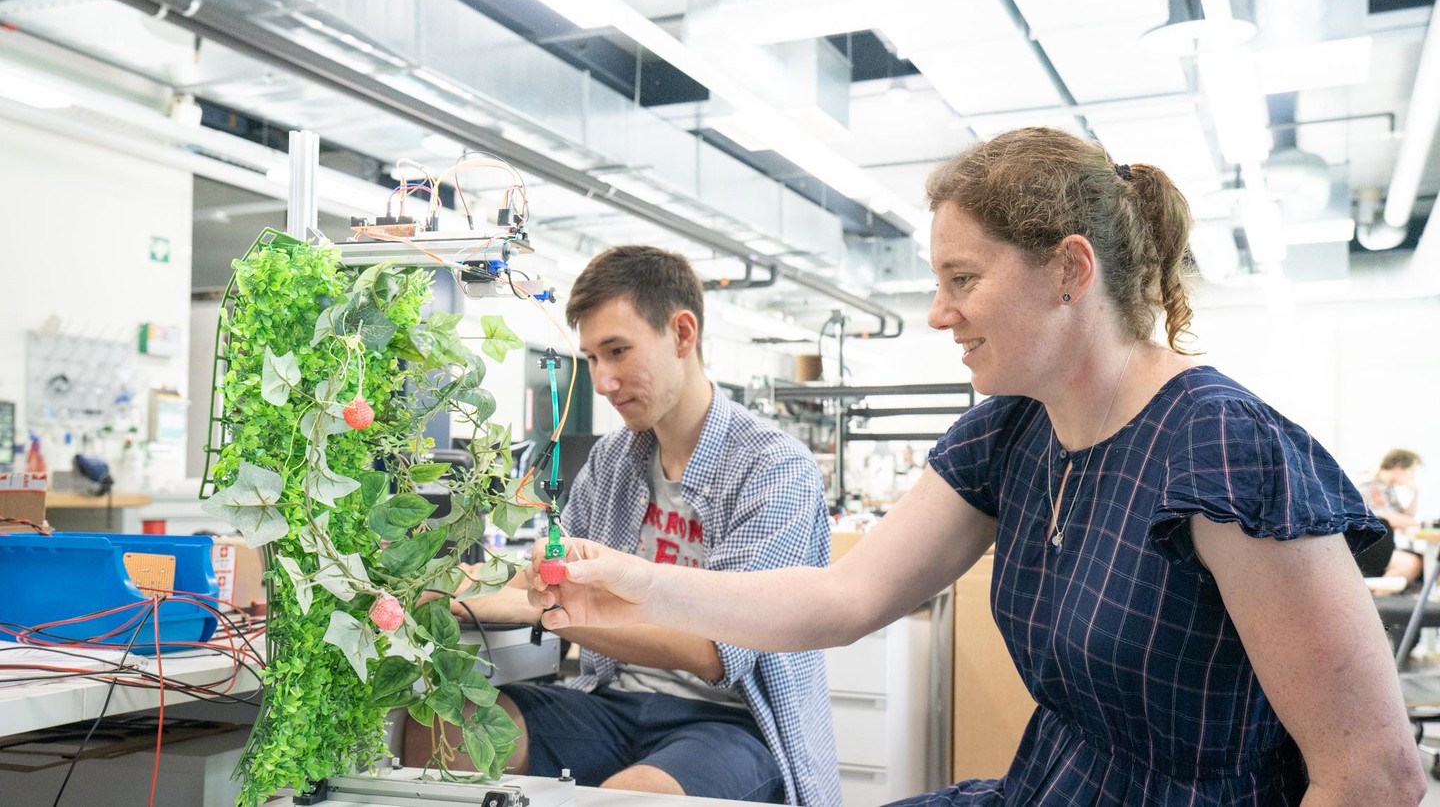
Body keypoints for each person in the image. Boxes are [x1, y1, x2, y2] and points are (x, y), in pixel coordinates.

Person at [525, 128, 1426, 806]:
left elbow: (1374, 775)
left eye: (962, 280)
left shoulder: (1226, 450)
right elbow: (839, 601)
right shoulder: (1012, 431)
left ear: (1070, 271)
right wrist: (638, 583)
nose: (937, 313)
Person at [405, 245, 840, 805]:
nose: (603, 380)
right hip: (613, 701)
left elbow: (718, 649)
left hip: (730, 722)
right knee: (445, 727)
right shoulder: (611, 462)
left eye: (618, 351)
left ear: (682, 334)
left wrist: (542, 610)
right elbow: (549, 575)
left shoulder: (773, 468)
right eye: (590, 357)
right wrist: (447, 584)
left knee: (631, 796)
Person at [1356, 449, 1424, 585]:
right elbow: (1388, 518)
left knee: (1422, 560)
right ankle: (1377, 599)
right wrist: (1416, 524)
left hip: (1381, 546)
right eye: (1412, 471)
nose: (1412, 476)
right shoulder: (1371, 486)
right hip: (1368, 550)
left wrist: (1416, 493)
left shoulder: (1388, 489)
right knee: (1410, 563)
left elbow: (1405, 517)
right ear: (1399, 468)